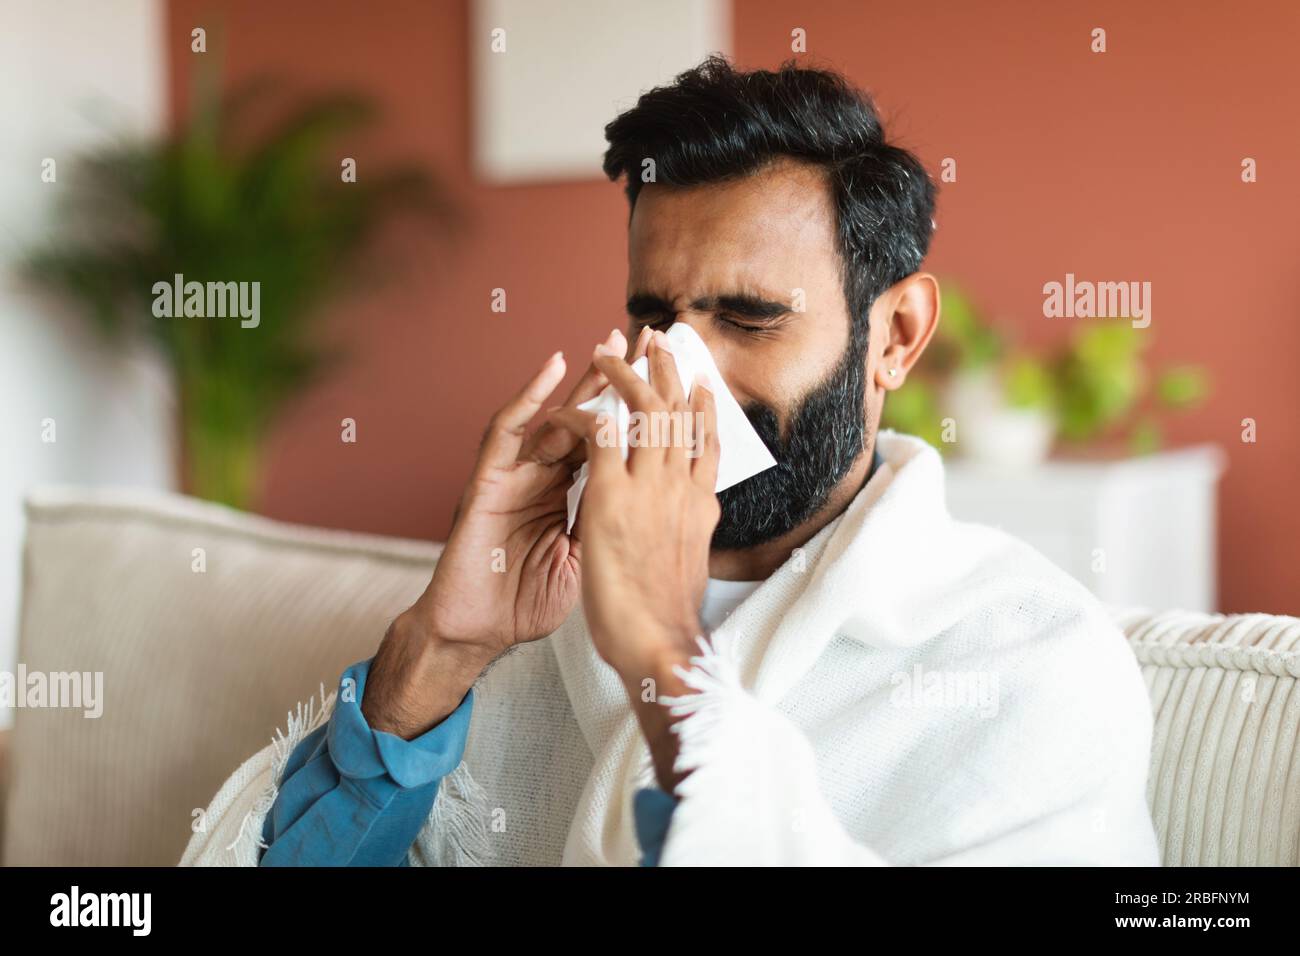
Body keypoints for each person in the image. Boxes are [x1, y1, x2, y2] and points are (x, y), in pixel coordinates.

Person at [183, 56, 1159, 867]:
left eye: (750, 318)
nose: (683, 374)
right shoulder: (536, 615)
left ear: (896, 335)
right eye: (656, 317)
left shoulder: (1029, 657)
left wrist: (663, 653)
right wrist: (443, 647)